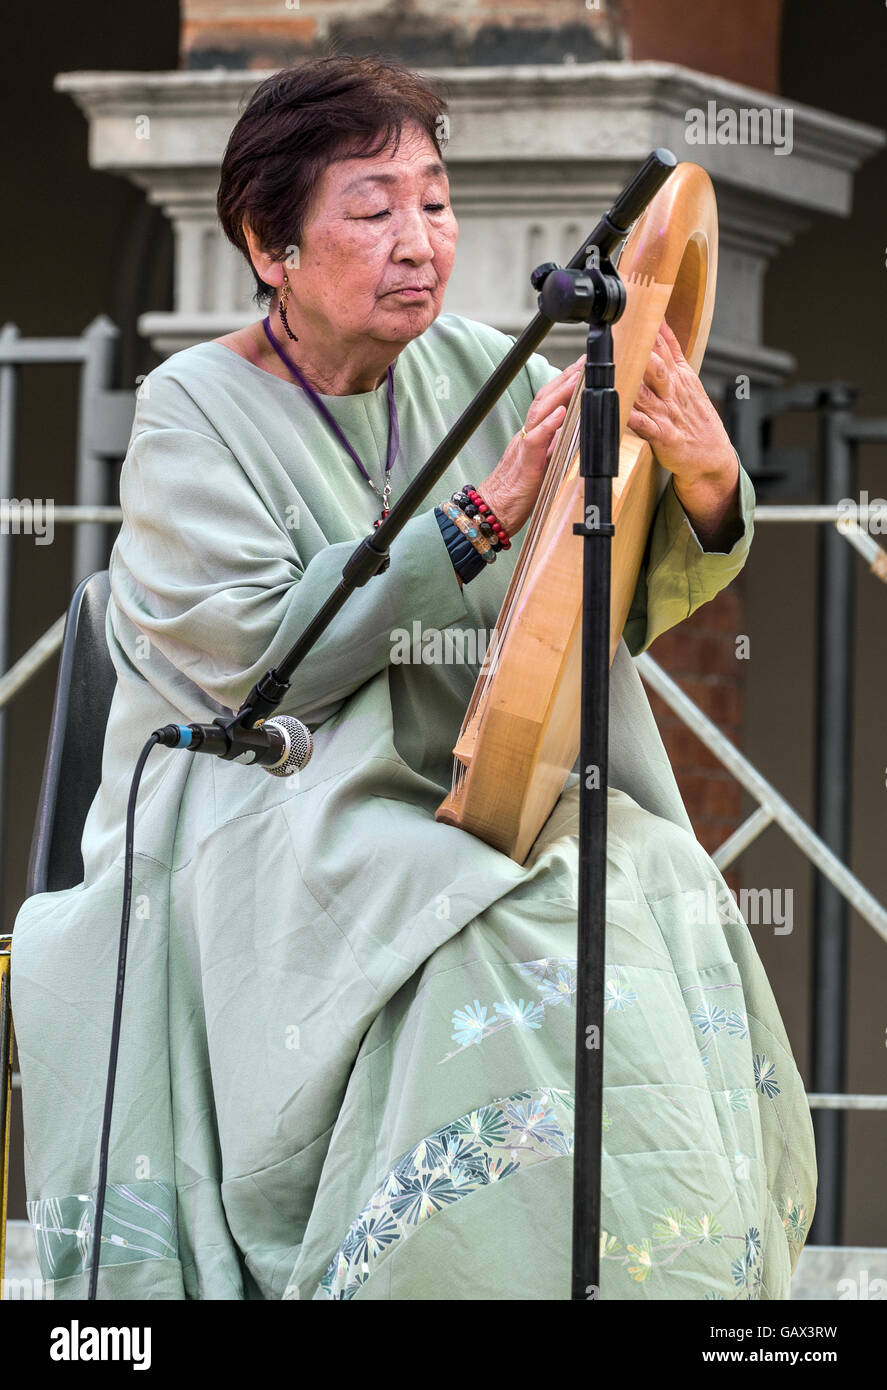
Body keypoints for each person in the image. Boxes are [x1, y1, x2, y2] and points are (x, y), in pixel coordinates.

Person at [11, 54, 815, 1301]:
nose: (417, 241)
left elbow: (616, 591)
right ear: (269, 243)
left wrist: (709, 483)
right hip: (267, 800)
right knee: (497, 917)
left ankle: (645, 1274)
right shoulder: (192, 408)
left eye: (434, 203)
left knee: (648, 871)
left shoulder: (484, 366)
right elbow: (258, 664)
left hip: (468, 788)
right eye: (372, 207)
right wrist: (482, 515)